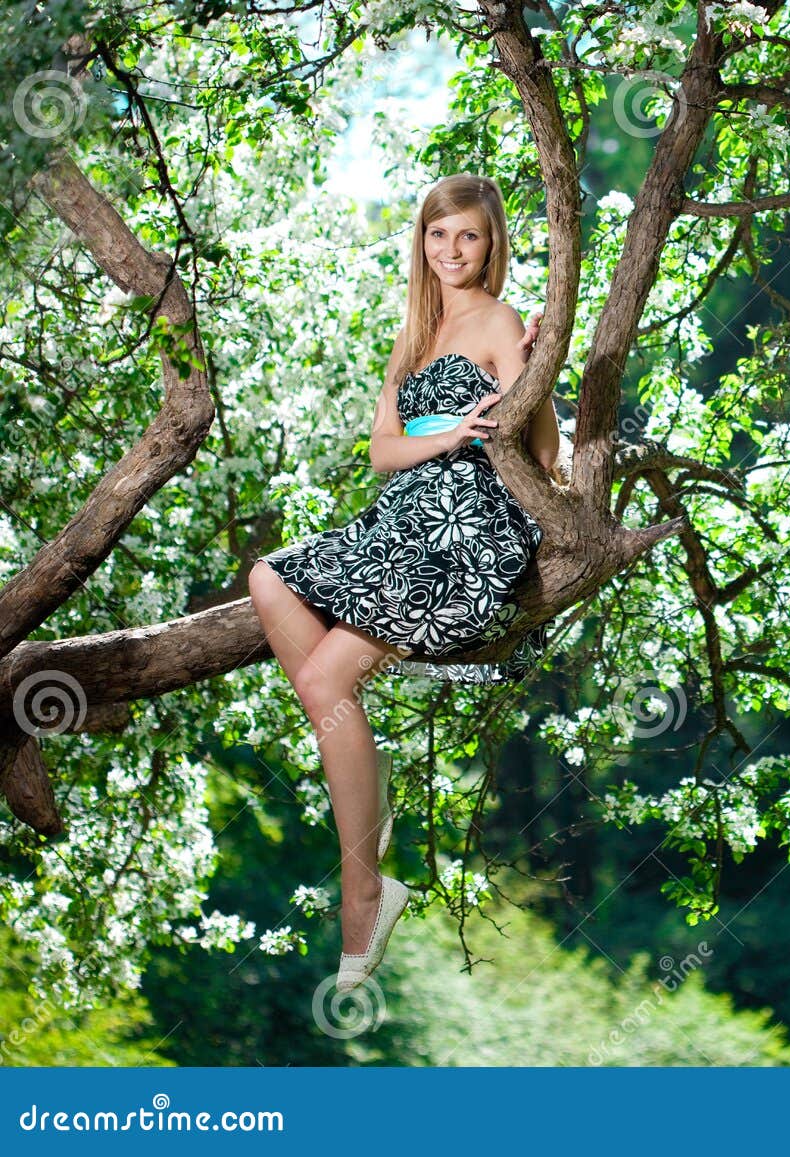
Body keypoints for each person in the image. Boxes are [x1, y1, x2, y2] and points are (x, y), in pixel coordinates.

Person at [246, 173, 561, 991]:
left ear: (492, 244)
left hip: (464, 525)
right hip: (400, 513)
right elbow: (384, 451)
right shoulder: (414, 332)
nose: (451, 251)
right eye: (437, 235)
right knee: (267, 578)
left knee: (323, 680)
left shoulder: (499, 323)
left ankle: (364, 887)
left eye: (469, 236)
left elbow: (546, 454)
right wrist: (446, 430)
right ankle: (356, 771)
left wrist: (531, 383)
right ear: (420, 242)